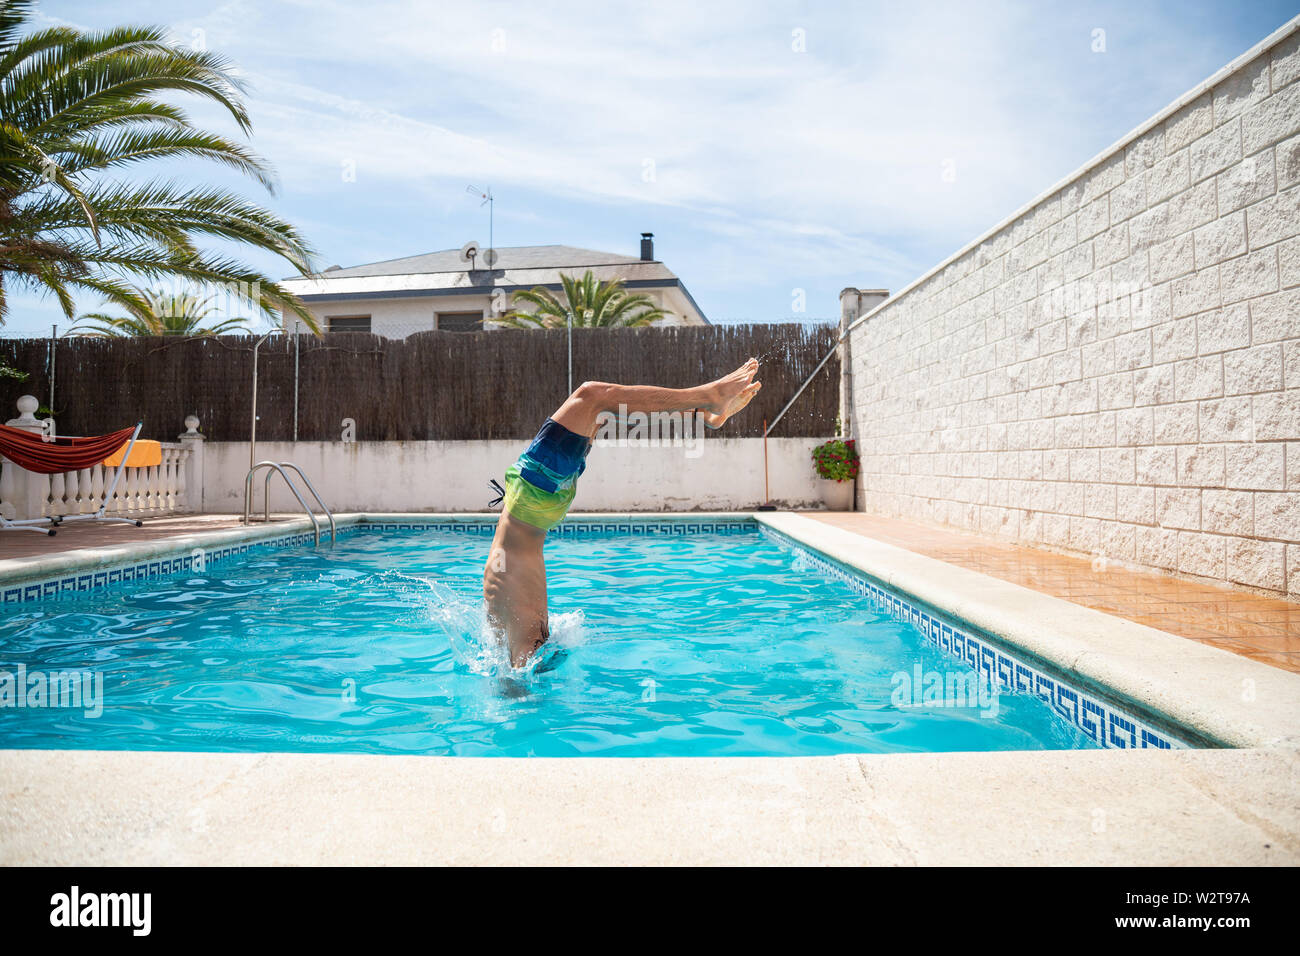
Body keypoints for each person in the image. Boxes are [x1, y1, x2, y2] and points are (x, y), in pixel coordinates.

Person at [483, 359, 762, 665]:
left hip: (532, 501)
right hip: (532, 497)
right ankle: (708, 397)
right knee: (592, 397)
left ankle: (705, 412)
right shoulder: (525, 635)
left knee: (598, 408)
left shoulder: (516, 625)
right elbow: (523, 665)